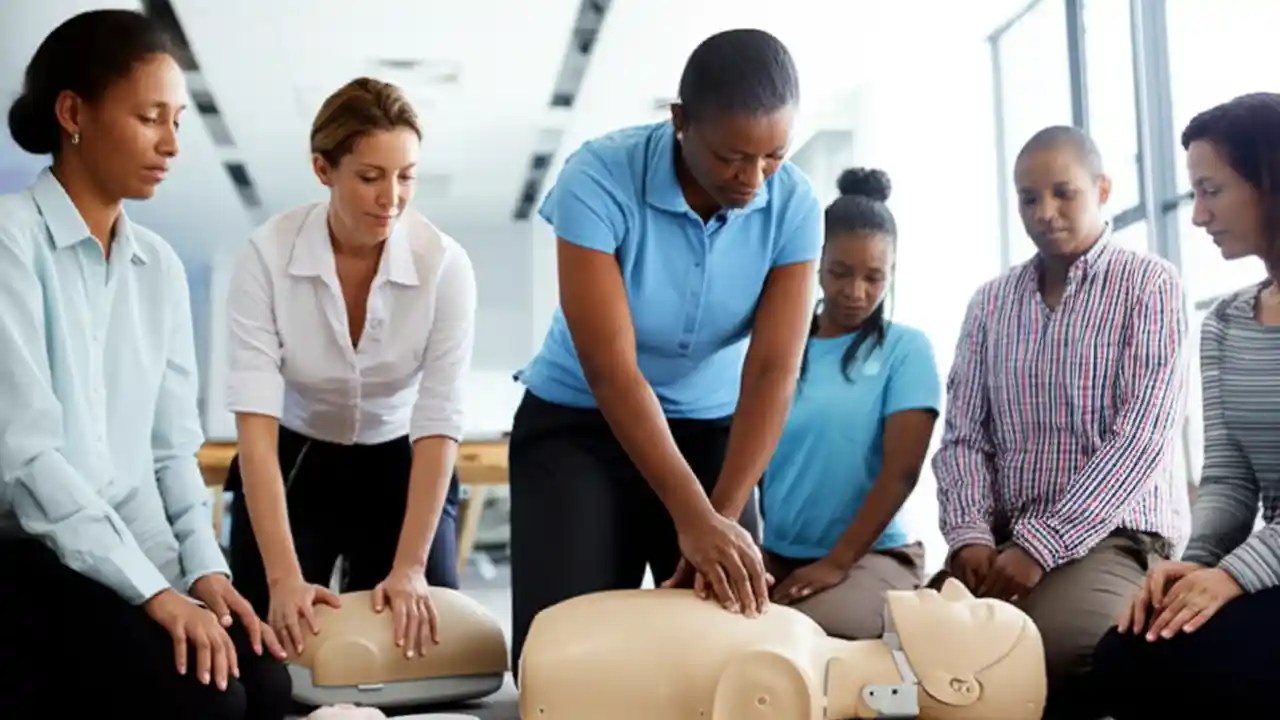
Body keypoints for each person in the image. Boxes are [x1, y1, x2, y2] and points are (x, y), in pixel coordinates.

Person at [0, 9, 290, 720]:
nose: (171, 144)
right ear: (73, 113)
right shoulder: (9, 241)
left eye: (178, 121)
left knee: (268, 684)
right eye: (150, 118)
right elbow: (27, 460)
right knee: (207, 701)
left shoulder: (157, 266)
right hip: (27, 552)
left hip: (125, 547)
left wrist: (203, 571)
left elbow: (169, 453)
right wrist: (156, 593)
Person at [508, 28, 822, 670]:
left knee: (731, 654)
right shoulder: (598, 177)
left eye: (773, 157)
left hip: (712, 433)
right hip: (581, 424)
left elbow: (772, 370)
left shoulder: (794, 205)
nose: (753, 180)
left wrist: (719, 520)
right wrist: (692, 516)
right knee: (565, 659)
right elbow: (612, 370)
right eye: (732, 157)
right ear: (681, 121)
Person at [931, 125, 1189, 719]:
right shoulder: (990, 304)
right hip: (1003, 539)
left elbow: (1142, 438)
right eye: (1029, 198)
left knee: (1046, 647)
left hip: (1115, 538)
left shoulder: (1150, 285)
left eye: (1063, 193)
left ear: (1102, 189)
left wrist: (1040, 546)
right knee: (918, 647)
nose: (1044, 213)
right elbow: (964, 437)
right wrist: (969, 534)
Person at [223, 77, 475, 664]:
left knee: (423, 648)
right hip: (297, 457)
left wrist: (410, 567)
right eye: (370, 177)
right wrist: (283, 579)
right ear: (323, 169)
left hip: (400, 458)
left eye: (406, 176)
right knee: (267, 653)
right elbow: (255, 429)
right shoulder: (266, 256)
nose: (392, 197)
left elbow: (439, 418)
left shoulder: (445, 265)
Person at [1092, 92, 1280, 718]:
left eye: (1212, 191)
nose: (1198, 215)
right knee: (1127, 655)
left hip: (1264, 569)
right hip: (1271, 567)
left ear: (1269, 182)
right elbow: (1228, 479)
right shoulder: (1227, 321)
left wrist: (1234, 575)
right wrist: (1191, 567)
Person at [759, 168, 939, 639]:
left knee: (809, 631)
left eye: (874, 278)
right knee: (720, 626)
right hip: (778, 553)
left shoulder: (906, 350)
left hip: (871, 556)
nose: (856, 292)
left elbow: (901, 472)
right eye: (840, 273)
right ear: (817, 262)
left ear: (891, 274)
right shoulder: (781, 346)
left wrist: (837, 562)